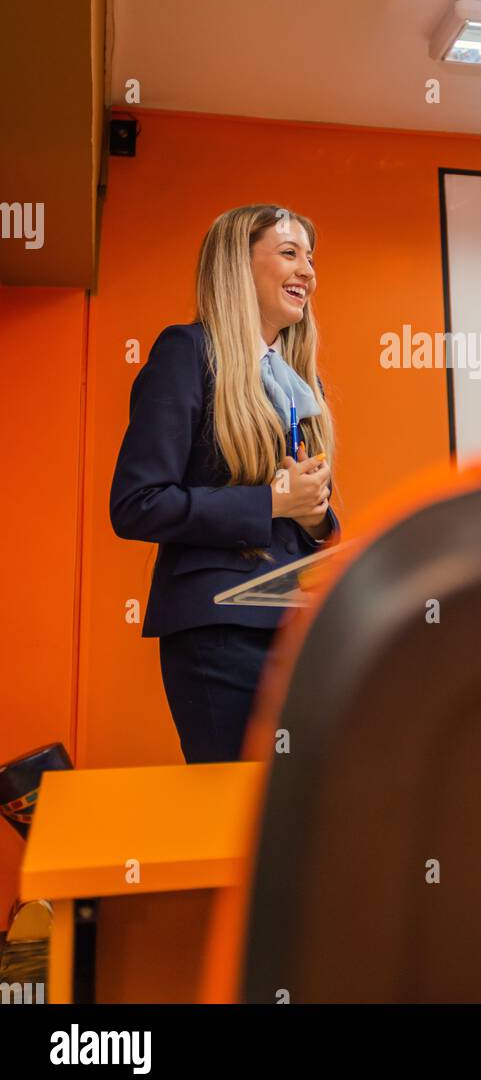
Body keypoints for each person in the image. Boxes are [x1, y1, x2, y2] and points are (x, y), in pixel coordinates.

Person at [109, 203, 338, 763]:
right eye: (289, 253)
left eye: (310, 257)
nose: (308, 269)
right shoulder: (186, 352)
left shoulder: (299, 381)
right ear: (238, 265)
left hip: (298, 632)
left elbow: (307, 515)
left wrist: (313, 516)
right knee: (239, 819)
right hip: (220, 633)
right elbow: (138, 504)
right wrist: (271, 502)